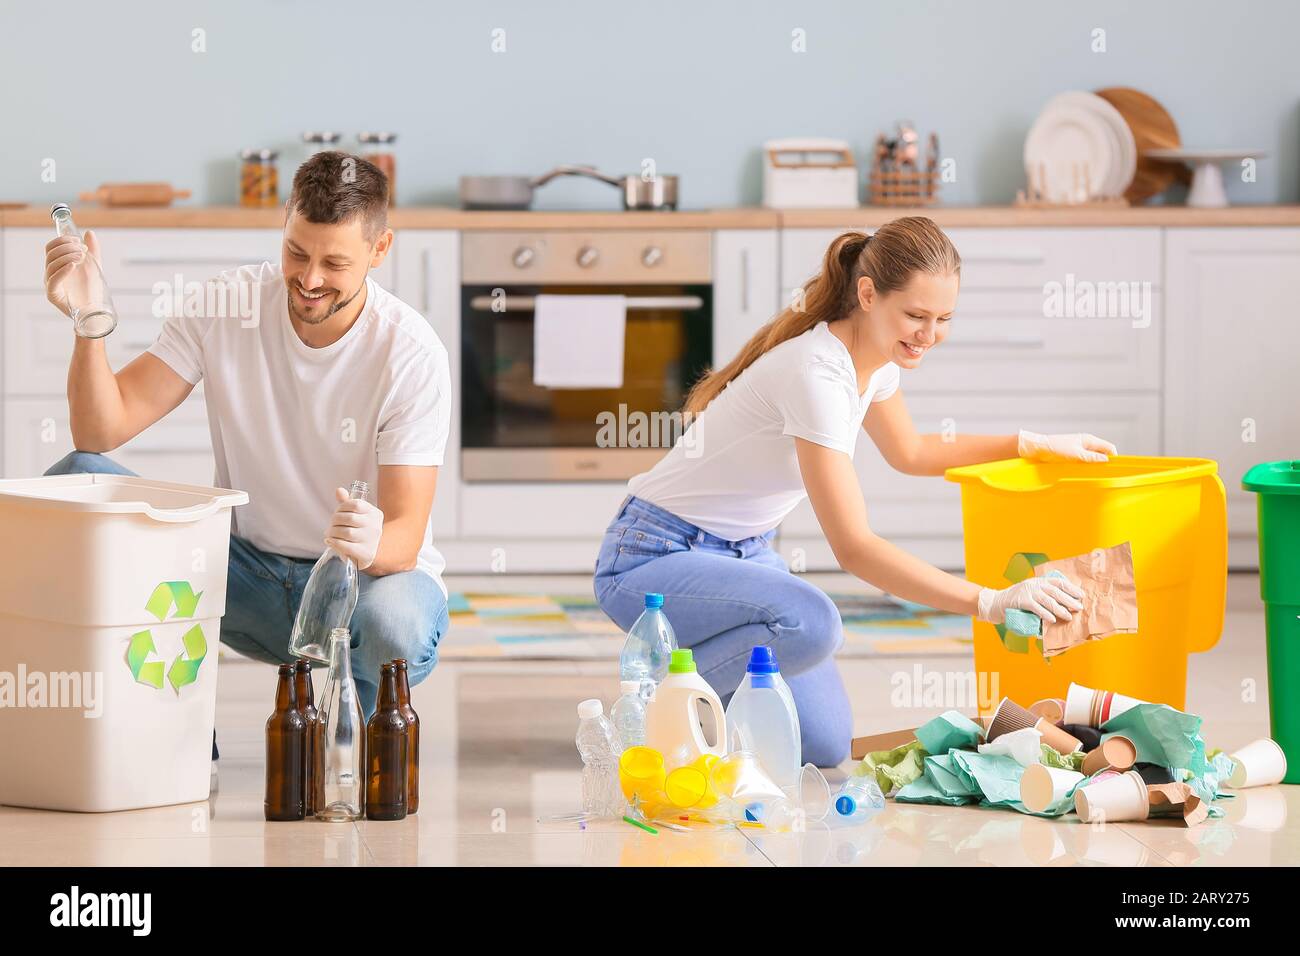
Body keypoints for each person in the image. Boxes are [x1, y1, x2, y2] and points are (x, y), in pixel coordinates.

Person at [593, 217, 1116, 767]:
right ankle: (654, 704)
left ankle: (681, 676)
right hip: (651, 557)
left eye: (943, 319)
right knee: (811, 624)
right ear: (867, 294)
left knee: (822, 746)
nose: (928, 334)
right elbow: (855, 547)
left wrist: (1027, 444)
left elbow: (910, 452)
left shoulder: (876, 362)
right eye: (915, 315)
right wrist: (988, 602)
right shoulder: (816, 374)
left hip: (744, 556)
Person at [42, 152, 452, 733]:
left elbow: (405, 539)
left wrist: (369, 542)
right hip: (245, 581)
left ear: (380, 250)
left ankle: (355, 745)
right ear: (285, 221)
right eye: (296, 252)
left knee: (395, 622)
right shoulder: (224, 305)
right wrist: (89, 318)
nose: (309, 280)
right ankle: (171, 744)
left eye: (335, 263)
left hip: (356, 589)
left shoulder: (410, 353)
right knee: (74, 476)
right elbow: (100, 431)